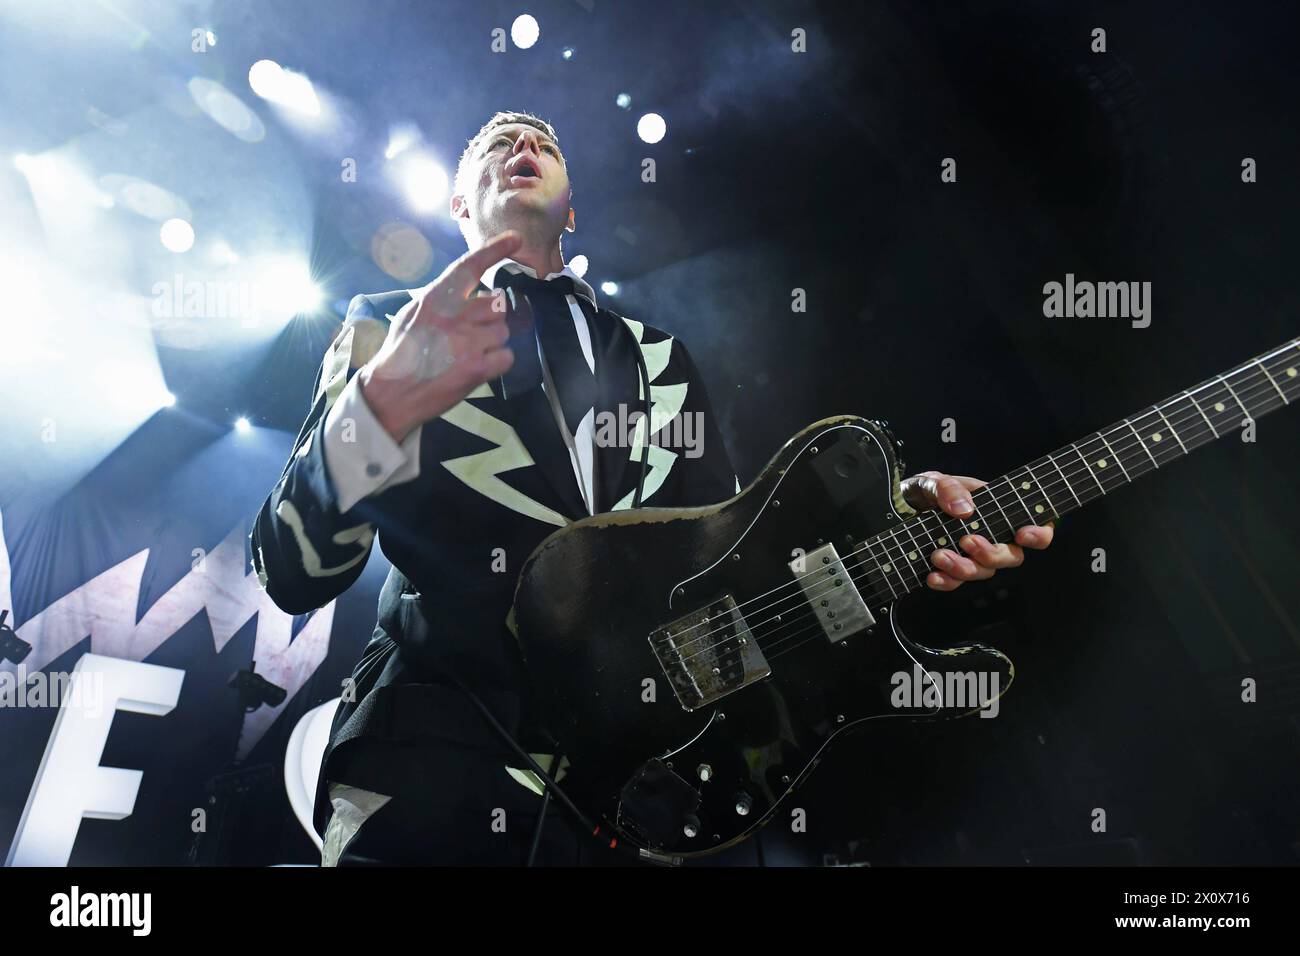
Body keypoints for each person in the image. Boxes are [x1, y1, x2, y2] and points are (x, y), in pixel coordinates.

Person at [249, 110, 1054, 866]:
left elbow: (734, 562)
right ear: (460, 204)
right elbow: (293, 571)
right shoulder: (386, 325)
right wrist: (378, 406)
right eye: (496, 145)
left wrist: (889, 520)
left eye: (542, 143)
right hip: (437, 760)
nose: (521, 144)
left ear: (571, 214)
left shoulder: (661, 359)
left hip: (642, 797)